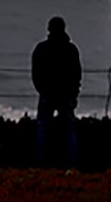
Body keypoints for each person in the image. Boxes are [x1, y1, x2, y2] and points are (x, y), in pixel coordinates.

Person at [32, 16, 82, 166]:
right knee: (69, 129)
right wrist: (74, 93)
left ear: (49, 29)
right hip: (65, 94)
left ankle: (42, 161)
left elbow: (36, 74)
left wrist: (42, 90)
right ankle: (70, 161)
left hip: (47, 93)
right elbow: (76, 74)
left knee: (43, 128)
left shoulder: (41, 48)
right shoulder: (71, 49)